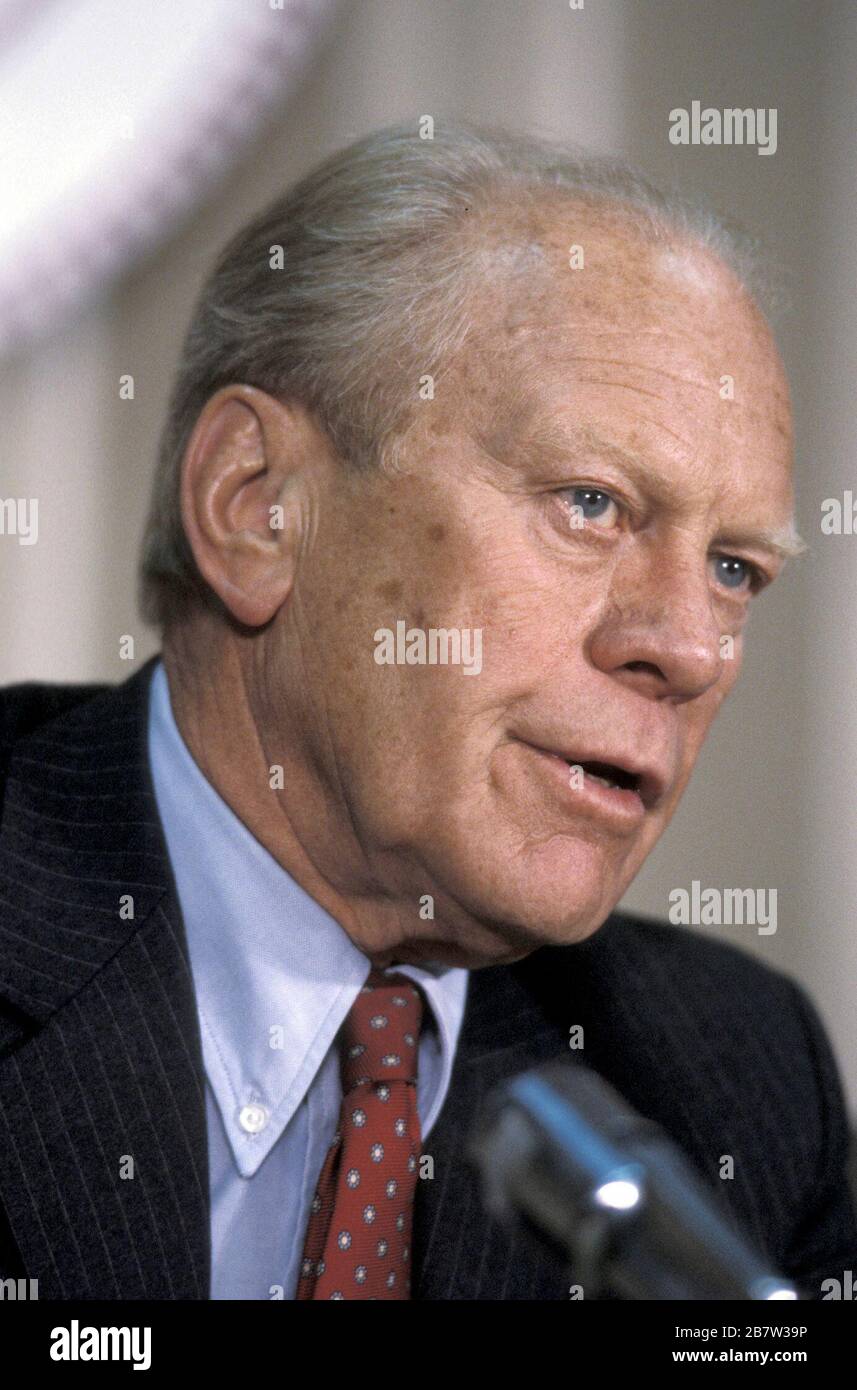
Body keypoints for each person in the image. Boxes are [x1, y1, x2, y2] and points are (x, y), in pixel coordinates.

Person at [0, 121, 853, 1301]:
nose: (688, 649)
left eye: (732, 569)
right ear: (258, 506)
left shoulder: (734, 1087)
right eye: (590, 503)